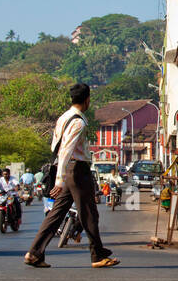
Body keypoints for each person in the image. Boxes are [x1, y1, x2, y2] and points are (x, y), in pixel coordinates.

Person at [24, 82, 117, 268]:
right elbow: (65, 150)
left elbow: (55, 146)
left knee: (56, 214)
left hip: (67, 170)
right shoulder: (78, 121)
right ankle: (97, 255)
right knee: (89, 213)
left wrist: (61, 174)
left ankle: (34, 253)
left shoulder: (63, 118)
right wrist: (59, 180)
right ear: (87, 99)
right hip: (77, 170)